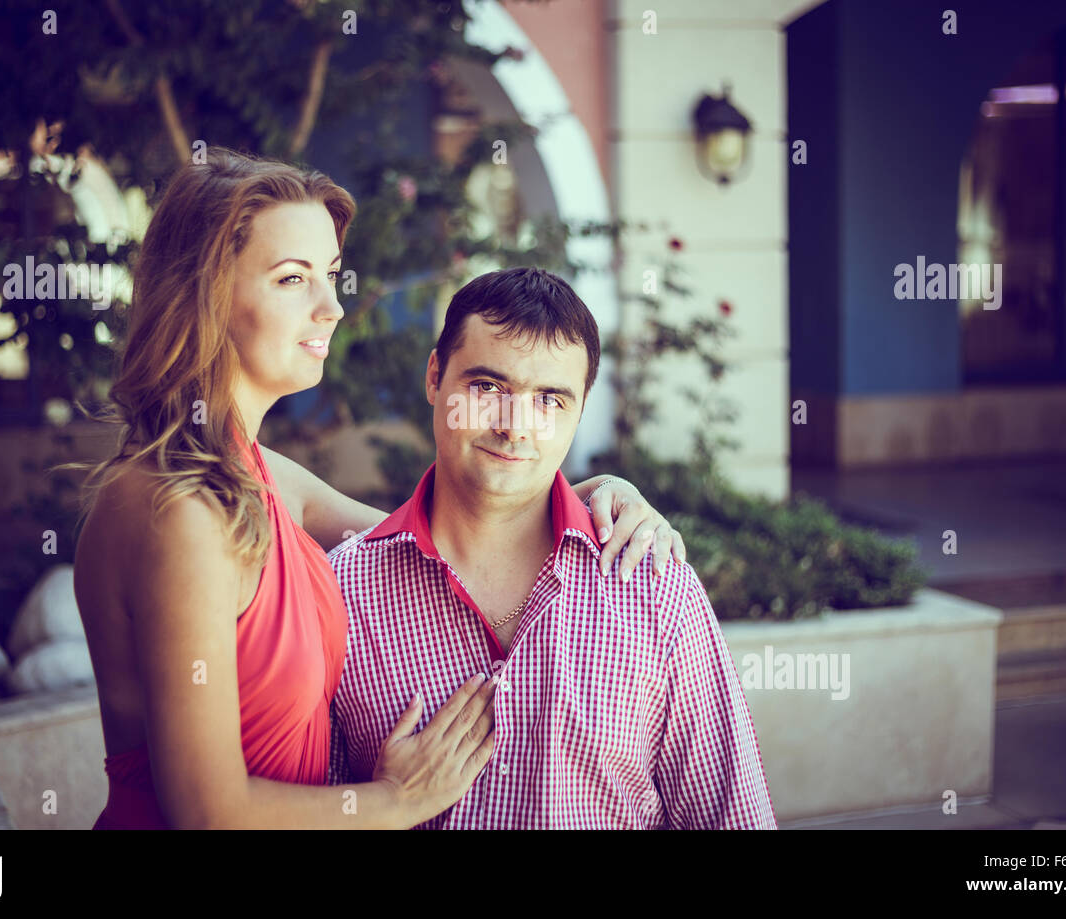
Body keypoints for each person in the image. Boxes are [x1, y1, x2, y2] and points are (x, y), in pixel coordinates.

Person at [70, 148, 686, 829]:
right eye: (292, 278)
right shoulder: (181, 509)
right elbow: (207, 812)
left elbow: (440, 533)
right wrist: (398, 800)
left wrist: (590, 498)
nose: (331, 306)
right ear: (208, 295)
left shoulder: (255, 474)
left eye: (330, 275)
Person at [326, 267, 778, 829]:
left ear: (580, 411)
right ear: (434, 377)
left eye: (549, 400)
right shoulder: (339, 594)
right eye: (487, 388)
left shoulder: (655, 589)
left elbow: (730, 817)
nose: (515, 427)